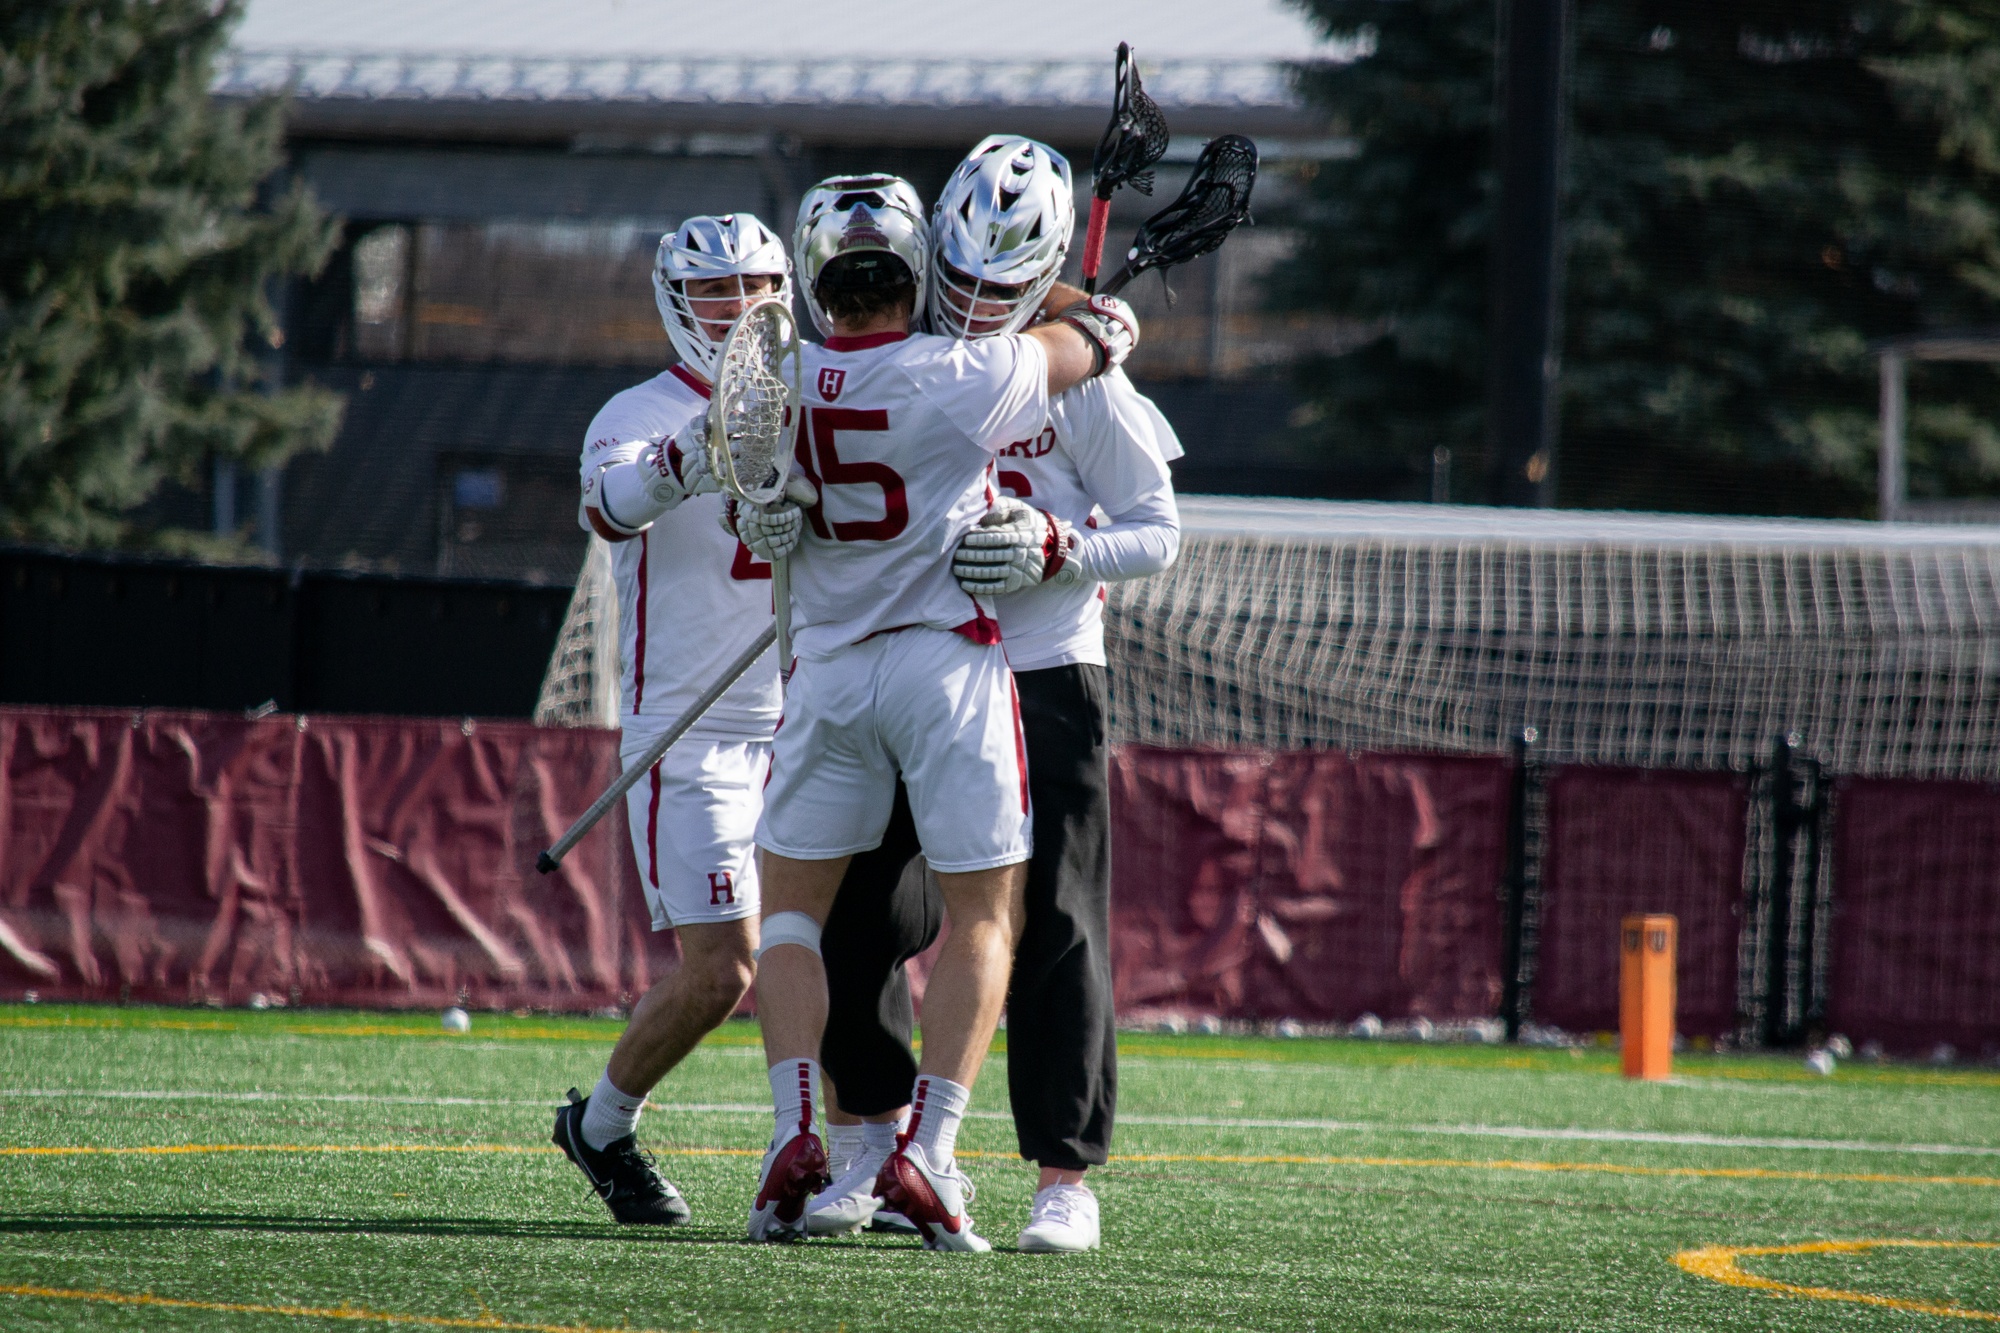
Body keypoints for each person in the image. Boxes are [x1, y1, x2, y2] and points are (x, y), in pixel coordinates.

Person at [731, 171, 1139, 1251]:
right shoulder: (959, 372)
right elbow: (1082, 347)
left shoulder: (784, 377)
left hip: (825, 673)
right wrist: (1093, 318)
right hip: (942, 665)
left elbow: (749, 497)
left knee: (789, 919)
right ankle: (930, 1151)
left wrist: (764, 512)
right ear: (915, 273)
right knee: (987, 919)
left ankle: (789, 1132)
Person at [548, 214, 791, 1226]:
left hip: (805, 719)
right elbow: (607, 504)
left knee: (813, 954)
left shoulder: (814, 398)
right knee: (722, 971)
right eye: (714, 293)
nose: (735, 311)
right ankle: (600, 1124)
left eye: (754, 289)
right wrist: (691, 456)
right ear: (675, 302)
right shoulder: (634, 408)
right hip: (687, 729)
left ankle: (814, 1155)